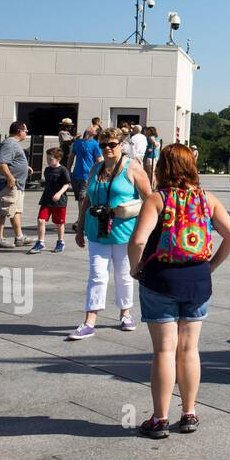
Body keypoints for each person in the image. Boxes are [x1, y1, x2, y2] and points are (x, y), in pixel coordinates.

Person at [128, 144, 230, 438]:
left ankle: (160, 419)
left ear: (163, 167)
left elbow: (138, 240)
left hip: (161, 278)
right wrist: (212, 265)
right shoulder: (208, 199)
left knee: (164, 350)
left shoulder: (157, 199)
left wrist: (135, 267)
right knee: (189, 349)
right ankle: (189, 413)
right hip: (198, 279)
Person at [69, 127, 153, 339]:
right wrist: (79, 226)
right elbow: (87, 198)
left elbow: (150, 200)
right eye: (103, 145)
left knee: (124, 275)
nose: (107, 148)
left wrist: (147, 231)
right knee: (97, 274)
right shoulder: (96, 168)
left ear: (121, 145)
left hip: (124, 231)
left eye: (111, 145)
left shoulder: (133, 168)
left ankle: (125, 313)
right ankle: (90, 320)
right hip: (97, 229)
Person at [0, 121, 31, 250]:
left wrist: (25, 167)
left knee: (16, 211)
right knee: (3, 211)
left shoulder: (13, 144)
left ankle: (19, 237)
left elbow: (11, 161)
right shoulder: (9, 144)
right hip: (9, 185)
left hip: (17, 185)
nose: (26, 133)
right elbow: (2, 163)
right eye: (26, 131)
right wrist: (10, 177)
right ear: (19, 131)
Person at [30, 147, 71, 254]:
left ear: (58, 159)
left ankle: (60, 242)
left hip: (59, 201)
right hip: (46, 200)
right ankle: (40, 242)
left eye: (51, 159)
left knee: (59, 223)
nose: (48, 161)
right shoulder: (47, 170)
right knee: (40, 219)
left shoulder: (63, 170)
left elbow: (67, 184)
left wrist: (59, 193)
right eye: (47, 159)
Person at [67, 127, 102, 206]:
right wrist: (68, 170)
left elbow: (99, 160)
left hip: (88, 175)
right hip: (76, 175)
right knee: (80, 199)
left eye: (93, 128)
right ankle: (83, 216)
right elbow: (71, 157)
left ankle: (81, 218)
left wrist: (98, 173)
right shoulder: (77, 143)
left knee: (82, 198)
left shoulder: (95, 144)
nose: (91, 127)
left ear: (95, 133)